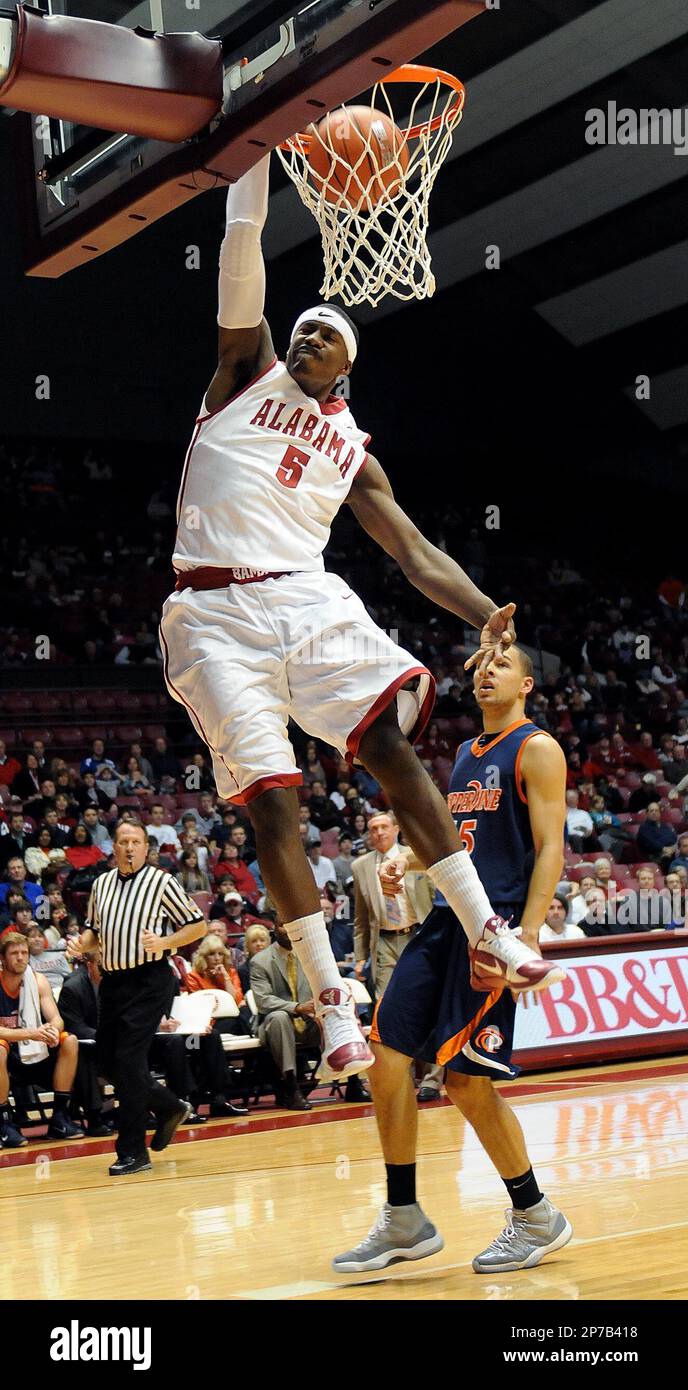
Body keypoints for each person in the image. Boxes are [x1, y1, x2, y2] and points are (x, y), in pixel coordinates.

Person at [158, 155, 557, 1083]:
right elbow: (242, 243)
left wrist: (484, 612)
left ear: (347, 367)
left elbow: (414, 554)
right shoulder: (240, 377)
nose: (302, 342)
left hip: (304, 592)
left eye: (320, 339)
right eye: (295, 332)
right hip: (213, 610)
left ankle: (483, 923)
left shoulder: (354, 450)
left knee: (390, 749)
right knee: (275, 804)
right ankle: (331, 1000)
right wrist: (250, 154)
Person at [333, 646, 571, 1275]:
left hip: (493, 932)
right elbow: (456, 840)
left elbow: (550, 847)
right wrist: (405, 859)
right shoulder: (467, 755)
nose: (485, 672)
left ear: (526, 682)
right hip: (447, 920)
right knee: (385, 1055)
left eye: (502, 664)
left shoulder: (538, 748)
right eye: (479, 666)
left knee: (466, 1081)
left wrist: (528, 936)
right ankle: (404, 1216)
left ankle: (535, 1215)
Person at [68, 821, 208, 1176]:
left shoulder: (161, 881)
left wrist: (164, 943)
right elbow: (95, 935)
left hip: (149, 980)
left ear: (147, 848)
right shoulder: (100, 885)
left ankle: (133, 1151)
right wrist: (79, 945)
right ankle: (169, 1106)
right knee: (108, 1061)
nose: (130, 848)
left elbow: (197, 924)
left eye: (136, 842)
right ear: (113, 848)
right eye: (123, 842)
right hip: (113, 983)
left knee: (129, 1062)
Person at [0, 931, 83, 1147]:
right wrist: (32, 1033)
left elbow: (56, 1019)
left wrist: (51, 1031)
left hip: (37, 1049)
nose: (20, 957)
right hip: (9, 1056)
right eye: (14, 953)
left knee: (70, 1040)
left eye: (24, 953)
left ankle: (59, 1118)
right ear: (2, 958)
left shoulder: (38, 981)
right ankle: (4, 1123)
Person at [56, 956, 115, 1136]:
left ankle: (137, 1110)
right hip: (85, 1046)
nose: (107, 970)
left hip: (110, 1045)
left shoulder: (116, 983)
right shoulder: (72, 988)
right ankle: (94, 1117)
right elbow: (75, 1027)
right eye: (101, 966)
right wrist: (107, 1037)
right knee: (83, 1055)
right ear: (89, 965)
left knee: (133, 1049)